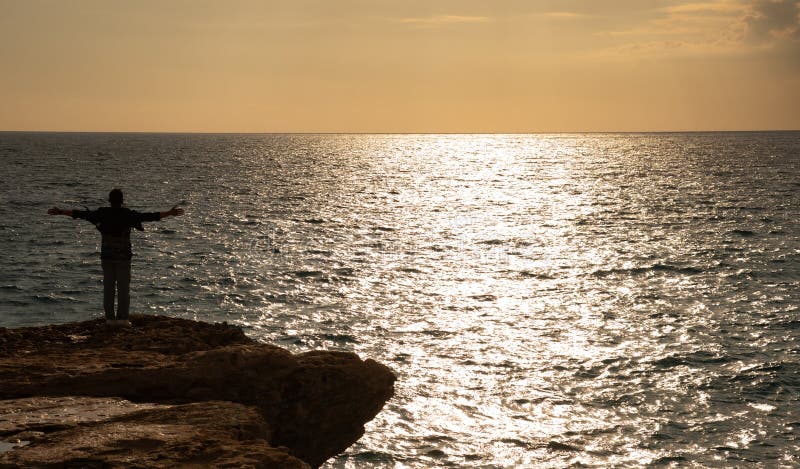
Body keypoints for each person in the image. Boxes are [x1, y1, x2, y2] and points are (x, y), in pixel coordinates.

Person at [48, 189, 184, 327]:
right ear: (122, 201)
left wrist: (60, 211)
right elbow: (149, 216)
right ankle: (123, 319)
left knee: (108, 289)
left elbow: (81, 214)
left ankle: (110, 319)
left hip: (107, 256)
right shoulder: (128, 214)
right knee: (123, 288)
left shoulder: (102, 213)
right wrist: (169, 213)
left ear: (109, 200)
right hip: (124, 257)